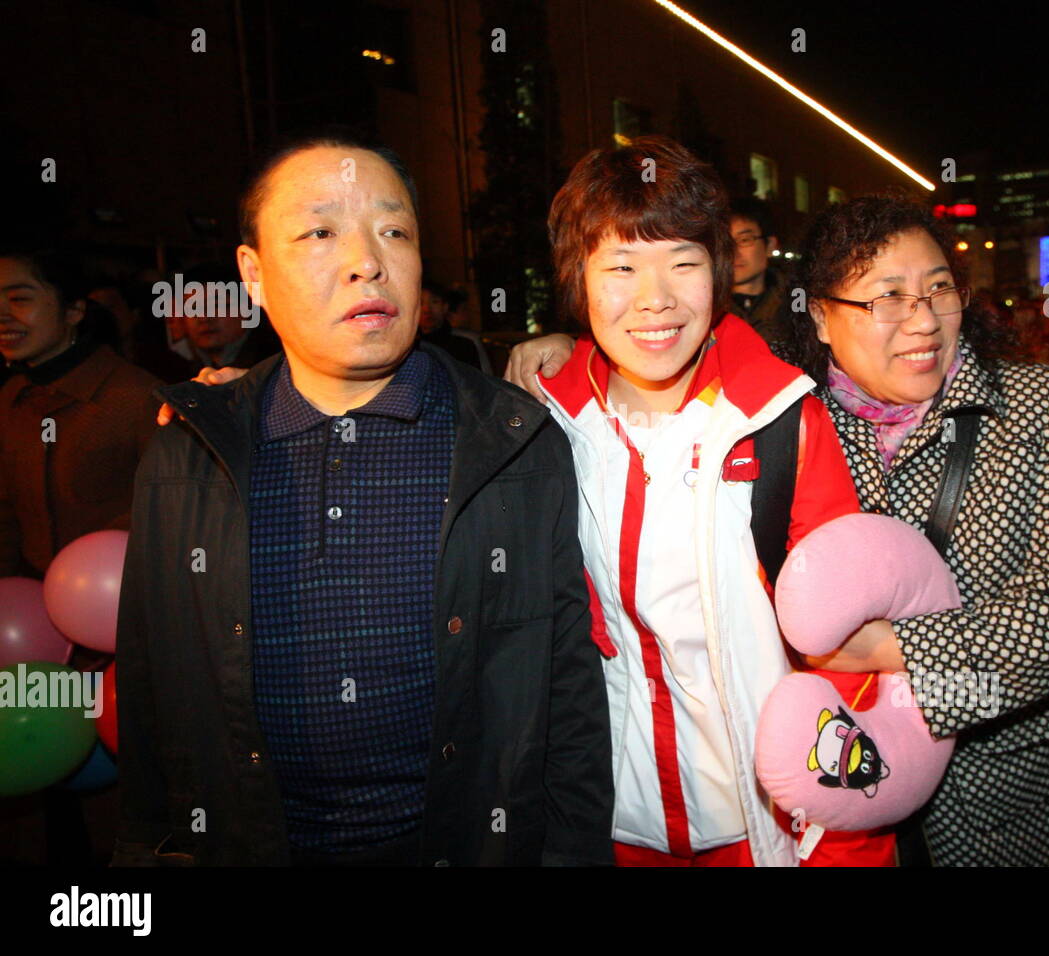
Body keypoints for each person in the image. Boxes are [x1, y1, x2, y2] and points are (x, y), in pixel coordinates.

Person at [511, 192, 1049, 866]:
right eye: (886, 298)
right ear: (820, 315)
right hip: (823, 791)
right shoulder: (787, 417)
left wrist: (890, 648)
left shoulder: (1033, 411)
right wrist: (567, 349)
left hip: (990, 799)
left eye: (939, 290)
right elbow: (678, 346)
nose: (922, 319)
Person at [113, 130, 613, 867]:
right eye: (320, 232)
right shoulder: (189, 450)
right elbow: (156, 685)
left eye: (395, 231)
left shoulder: (513, 439)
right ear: (251, 272)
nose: (367, 263)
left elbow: (567, 691)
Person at [0, 249, 159, 578]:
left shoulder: (138, 398)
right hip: (28, 607)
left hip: (113, 599)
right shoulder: (12, 397)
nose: (2, 314)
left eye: (19, 298)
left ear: (74, 310)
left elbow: (169, 511)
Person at [729, 196, 793, 348]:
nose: (734, 252)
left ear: (770, 245)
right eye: (726, 243)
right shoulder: (705, 307)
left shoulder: (796, 299)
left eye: (745, 240)